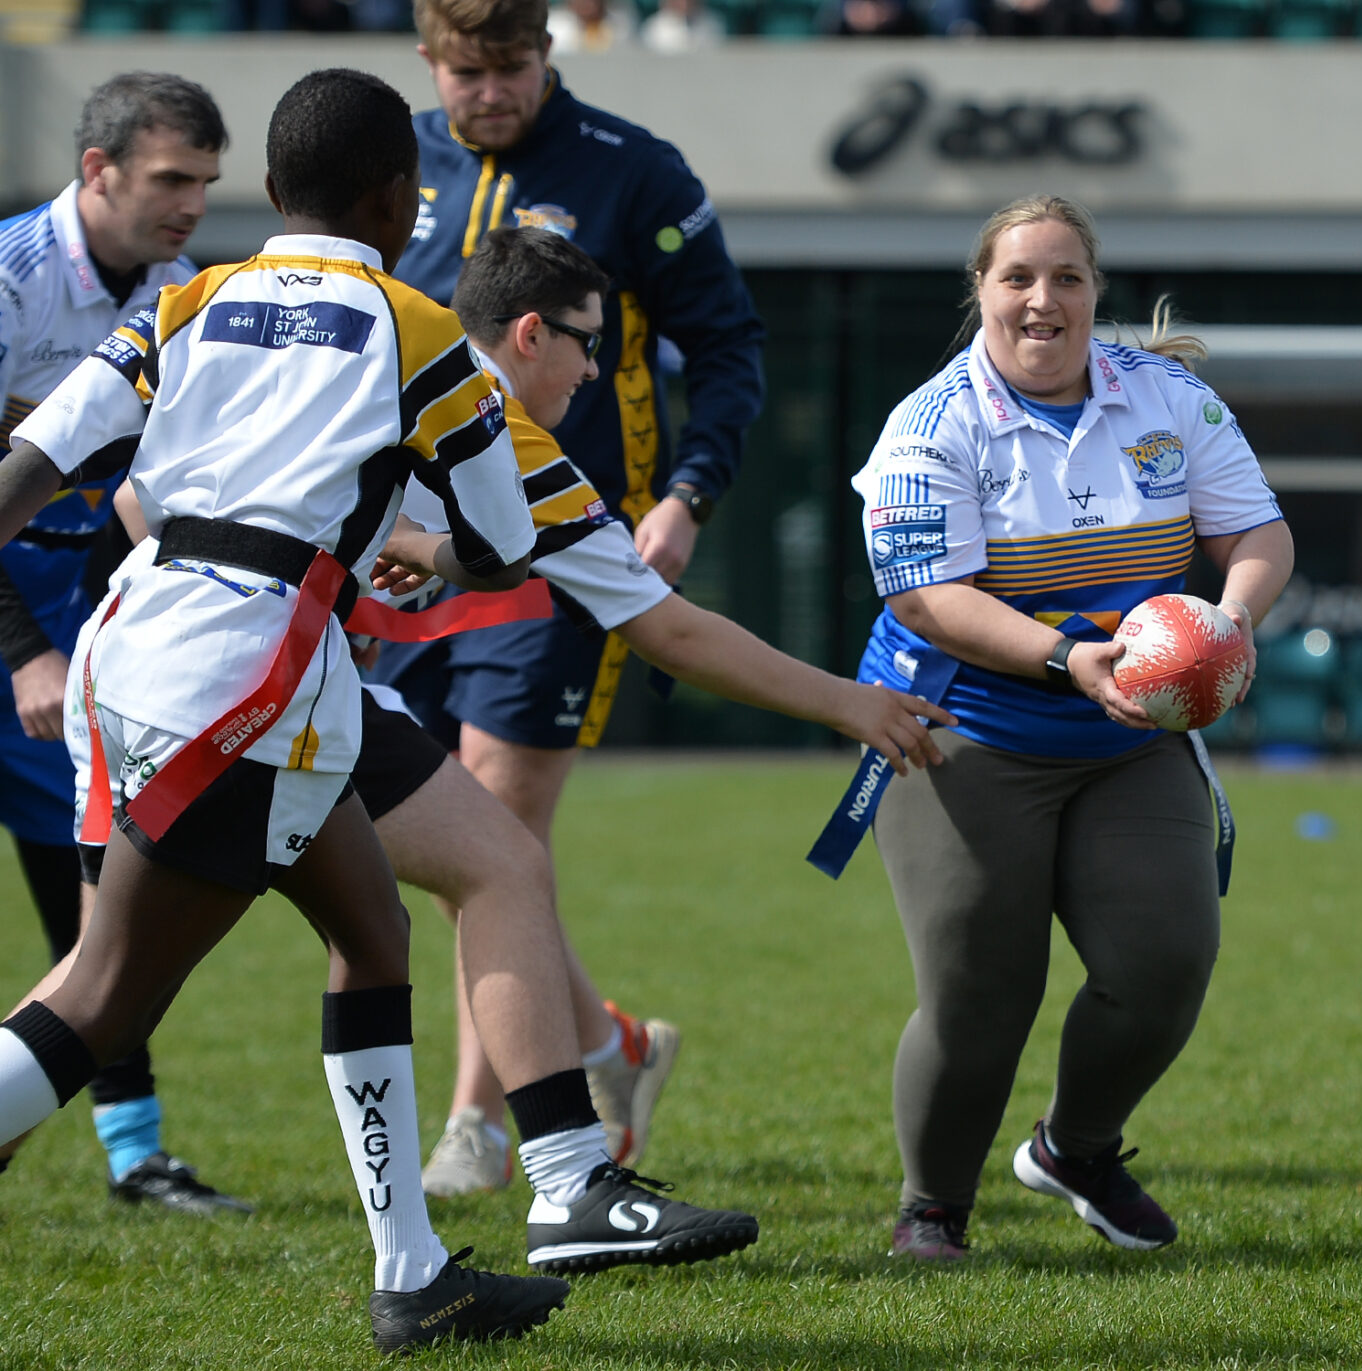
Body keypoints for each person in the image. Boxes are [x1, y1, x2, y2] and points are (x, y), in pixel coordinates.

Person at [28, 223, 947, 1275]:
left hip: (151, 663)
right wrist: (850, 703)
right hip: (246, 692)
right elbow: (669, 629)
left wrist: (383, 549)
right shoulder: (483, 422)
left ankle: (513, 1208)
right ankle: (548, 1191)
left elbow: (144, 497)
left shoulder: (308, 345)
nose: (596, 369)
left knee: (438, 892)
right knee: (107, 992)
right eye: (586, 343)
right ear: (525, 334)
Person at [0, 69, 570, 1353]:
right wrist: (428, 549)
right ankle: (419, 1271)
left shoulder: (183, 303)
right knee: (102, 999)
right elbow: (503, 542)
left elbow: (27, 473)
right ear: (400, 198)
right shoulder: (419, 328)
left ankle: (415, 1274)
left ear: (268, 189)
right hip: (247, 682)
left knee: (372, 935)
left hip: (131, 648)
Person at [847, 195, 1291, 1260]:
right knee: (980, 995)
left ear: (1095, 293)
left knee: (1166, 961)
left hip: (1129, 733)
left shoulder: (1169, 396)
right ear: (982, 294)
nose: (1043, 300)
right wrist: (1063, 657)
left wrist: (1224, 627)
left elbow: (1259, 533)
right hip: (961, 727)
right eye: (1019, 279)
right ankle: (933, 1210)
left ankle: (1077, 1149)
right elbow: (925, 598)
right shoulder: (929, 423)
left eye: (1067, 279)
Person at [376, 0, 767, 1191]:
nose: (488, 93)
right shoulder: (394, 164)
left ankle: (477, 1127)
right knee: (435, 838)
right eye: (464, 71)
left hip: (561, 553)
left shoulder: (632, 171)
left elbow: (731, 348)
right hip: (411, 553)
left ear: (550, 56)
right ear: (430, 64)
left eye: (511, 68)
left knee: (496, 827)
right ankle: (609, 1044)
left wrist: (687, 495)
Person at [0, 72, 246, 1214]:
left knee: (100, 897)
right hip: (18, 613)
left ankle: (135, 1153)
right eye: (170, 180)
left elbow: (159, 482)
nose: (192, 202)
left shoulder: (182, 289)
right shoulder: (10, 280)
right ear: (97, 172)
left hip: (76, 598)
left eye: (205, 180)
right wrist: (24, 652)